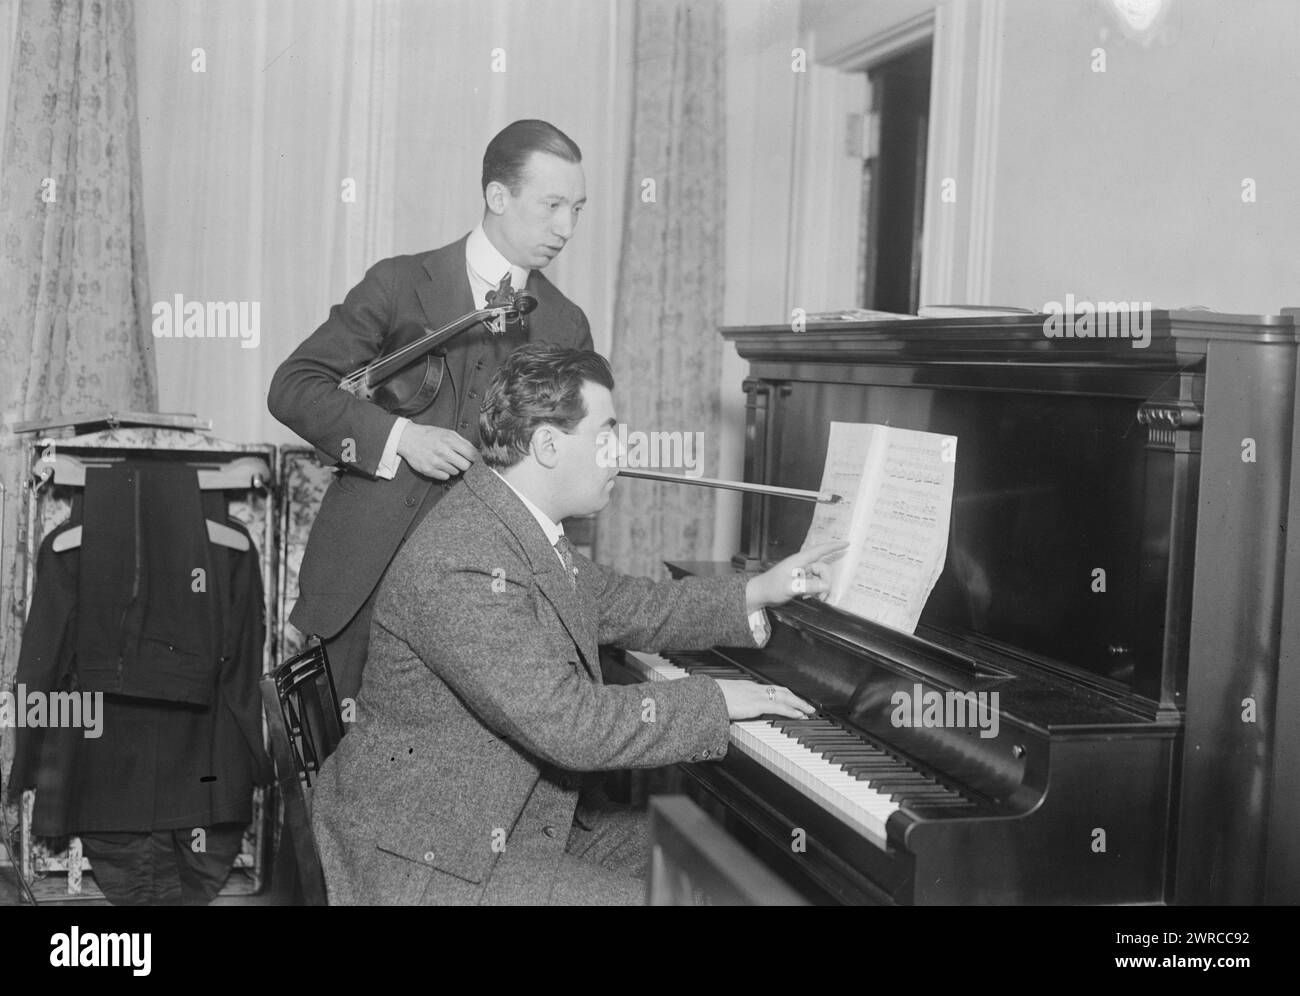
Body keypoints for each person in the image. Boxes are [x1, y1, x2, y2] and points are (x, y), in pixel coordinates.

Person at [309, 343, 844, 905]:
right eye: (607, 435)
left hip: (509, 817)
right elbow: (572, 725)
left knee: (711, 868)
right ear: (546, 444)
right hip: (431, 854)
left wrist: (762, 589)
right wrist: (715, 699)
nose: (621, 453)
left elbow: (633, 605)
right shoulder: (464, 558)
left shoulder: (517, 522)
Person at [267, 120, 592, 702]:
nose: (566, 228)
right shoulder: (398, 284)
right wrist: (399, 438)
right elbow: (294, 386)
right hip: (362, 585)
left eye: (577, 209)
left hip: (489, 603)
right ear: (498, 196)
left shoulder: (567, 325)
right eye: (552, 206)